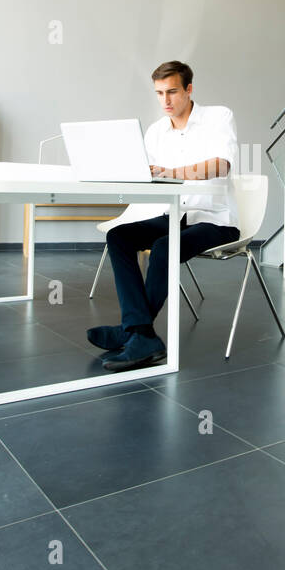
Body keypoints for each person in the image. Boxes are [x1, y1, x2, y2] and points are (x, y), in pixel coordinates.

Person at [87, 61, 240, 370]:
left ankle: (132, 332)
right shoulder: (157, 132)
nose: (166, 101)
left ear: (189, 89)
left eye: (172, 91)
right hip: (174, 214)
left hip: (215, 219)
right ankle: (138, 331)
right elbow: (147, 175)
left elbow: (221, 165)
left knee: (163, 247)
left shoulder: (218, 117)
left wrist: (170, 173)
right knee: (119, 236)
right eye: (159, 93)